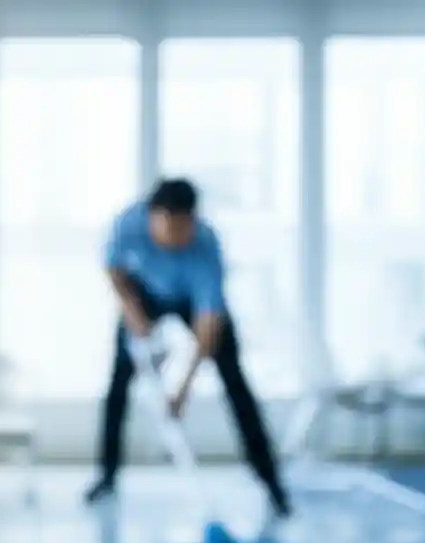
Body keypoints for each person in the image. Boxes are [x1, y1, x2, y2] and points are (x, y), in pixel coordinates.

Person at [84, 179, 292, 517]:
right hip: (144, 294)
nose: (177, 237)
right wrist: (133, 312)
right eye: (169, 228)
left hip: (190, 301)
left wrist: (183, 389)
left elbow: (208, 322)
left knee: (235, 381)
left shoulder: (206, 245)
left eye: (185, 228)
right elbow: (114, 269)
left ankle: (272, 483)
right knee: (119, 381)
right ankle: (106, 476)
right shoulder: (128, 224)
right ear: (151, 218)